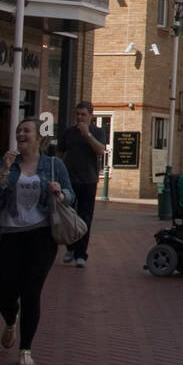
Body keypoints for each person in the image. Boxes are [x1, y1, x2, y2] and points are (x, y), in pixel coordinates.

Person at [0, 119, 74, 365]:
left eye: (26, 130)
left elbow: (71, 195)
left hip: (41, 235)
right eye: (18, 130)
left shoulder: (53, 165)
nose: (20, 133)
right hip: (11, 234)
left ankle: (25, 348)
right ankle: (10, 319)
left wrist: (59, 192)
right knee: (5, 294)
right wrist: (4, 171)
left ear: (39, 137)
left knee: (31, 291)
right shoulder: (9, 162)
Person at [58, 101, 106, 268]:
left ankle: (81, 254)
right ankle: (70, 248)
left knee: (85, 217)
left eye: (83, 114)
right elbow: (60, 152)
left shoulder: (97, 132)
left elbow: (100, 150)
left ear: (90, 116)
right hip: (69, 180)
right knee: (68, 215)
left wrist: (87, 135)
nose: (79, 117)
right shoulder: (68, 132)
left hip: (88, 180)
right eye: (77, 114)